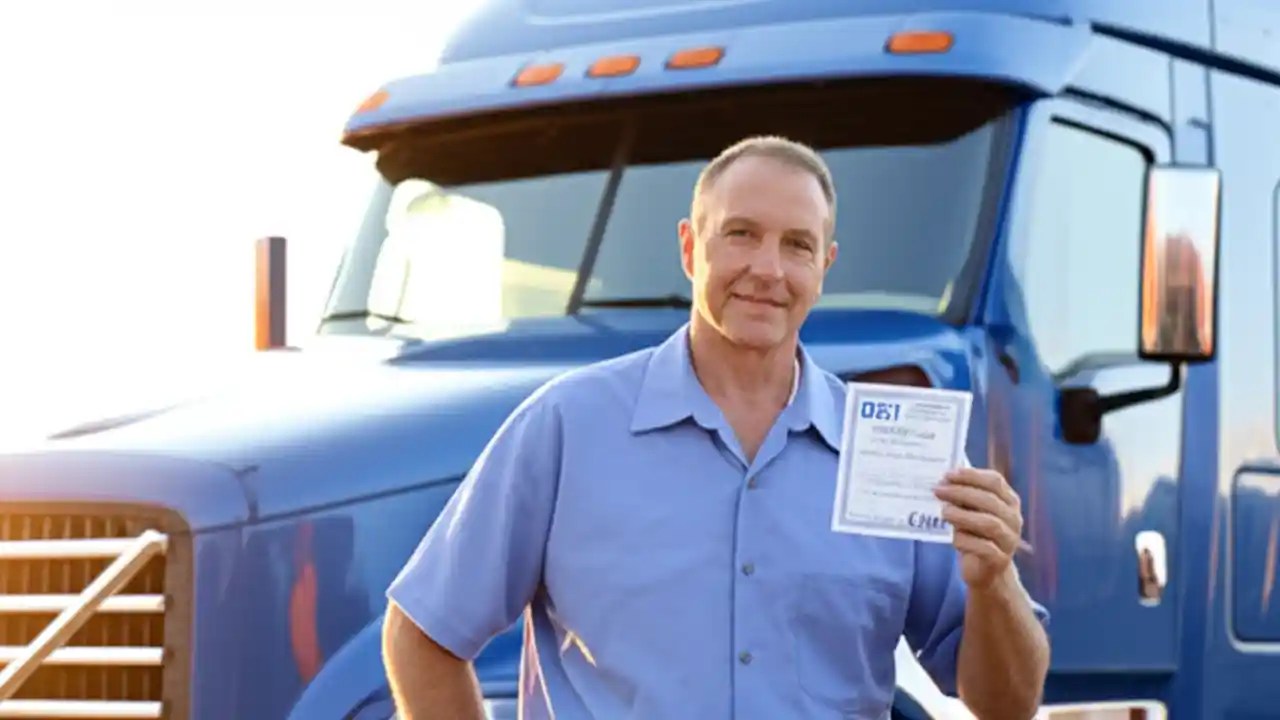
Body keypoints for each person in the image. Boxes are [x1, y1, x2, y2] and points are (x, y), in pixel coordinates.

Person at [382, 135, 1052, 719]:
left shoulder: (892, 455)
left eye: (797, 245)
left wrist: (993, 583)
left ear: (825, 267)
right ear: (688, 246)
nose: (768, 269)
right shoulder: (566, 427)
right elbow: (423, 634)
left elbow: (1005, 704)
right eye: (742, 234)